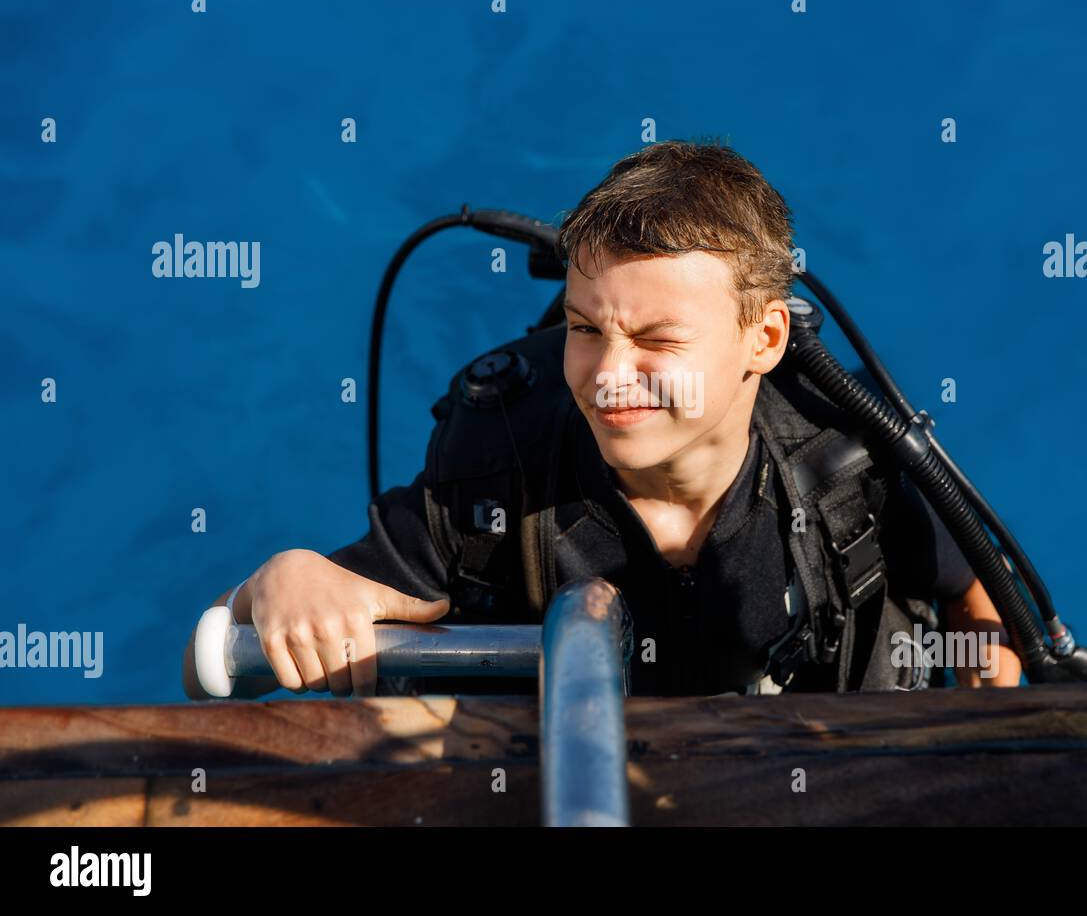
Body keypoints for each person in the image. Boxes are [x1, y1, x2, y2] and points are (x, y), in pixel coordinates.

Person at [182, 141, 1022, 701]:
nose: (609, 377)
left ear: (763, 338)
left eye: (657, 339)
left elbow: (971, 592)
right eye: (585, 330)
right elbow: (201, 668)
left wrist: (986, 679)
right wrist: (277, 585)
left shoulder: (846, 457)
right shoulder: (500, 471)